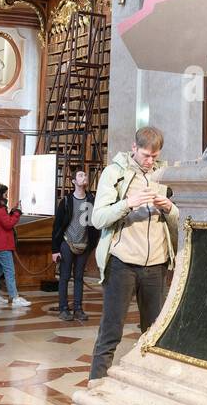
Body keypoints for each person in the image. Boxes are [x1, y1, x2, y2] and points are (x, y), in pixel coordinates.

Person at [89, 126, 179, 381]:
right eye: (145, 155)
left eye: (154, 156)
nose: (150, 161)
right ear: (134, 148)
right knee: (111, 331)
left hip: (157, 265)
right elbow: (98, 218)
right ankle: (95, 384)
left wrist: (169, 207)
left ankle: (148, 385)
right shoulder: (115, 173)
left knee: (153, 333)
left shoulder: (164, 175)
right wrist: (128, 203)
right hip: (123, 264)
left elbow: (180, 221)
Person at [52, 169, 98, 322]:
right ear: (73, 182)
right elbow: (57, 226)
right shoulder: (66, 201)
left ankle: (78, 308)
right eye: (80, 175)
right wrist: (55, 250)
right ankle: (63, 308)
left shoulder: (91, 199)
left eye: (85, 175)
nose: (84, 177)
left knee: (79, 277)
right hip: (67, 243)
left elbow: (93, 224)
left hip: (84, 244)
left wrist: (92, 245)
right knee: (64, 277)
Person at [0, 183, 26, 308]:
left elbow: (4, 220)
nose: (7, 196)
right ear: (0, 195)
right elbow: (8, 224)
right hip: (3, 244)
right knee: (9, 271)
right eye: (5, 194)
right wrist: (17, 213)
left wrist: (12, 211)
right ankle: (14, 297)